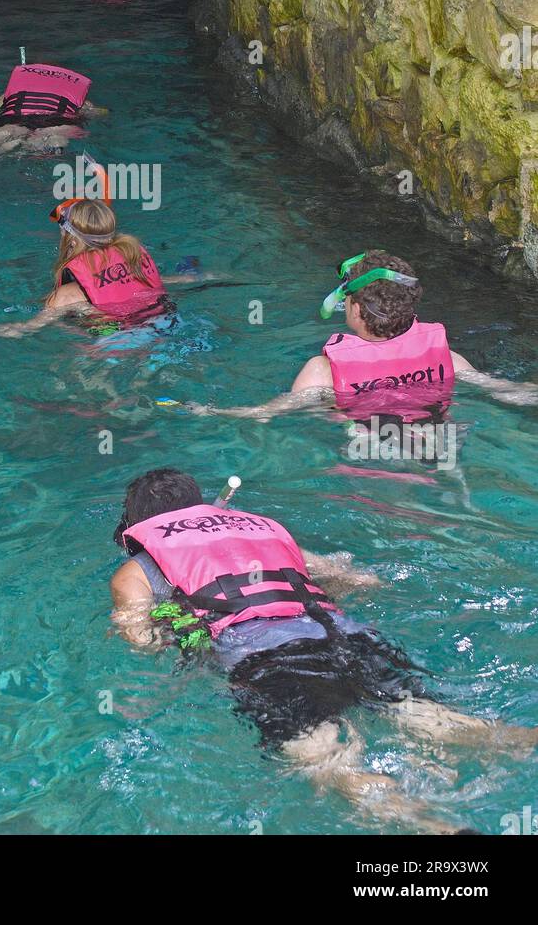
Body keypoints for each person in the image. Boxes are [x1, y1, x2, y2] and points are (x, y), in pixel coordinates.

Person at [110, 467, 537, 832]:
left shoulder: (137, 569)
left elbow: (141, 642)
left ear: (138, 523)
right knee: (434, 719)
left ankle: (437, 828)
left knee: (330, 761)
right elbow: (362, 581)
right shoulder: (262, 532)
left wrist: (181, 628)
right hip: (345, 635)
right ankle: (524, 738)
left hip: (266, 662)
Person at [181, 249, 538, 422]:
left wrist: (208, 411)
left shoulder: (322, 371)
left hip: (365, 464)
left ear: (353, 311)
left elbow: (266, 413)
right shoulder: (448, 358)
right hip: (438, 443)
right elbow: (511, 394)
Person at [0, 197, 173, 347]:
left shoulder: (66, 295)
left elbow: (26, 328)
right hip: (168, 325)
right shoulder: (135, 263)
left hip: (120, 343)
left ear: (71, 237)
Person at [0, 61, 106, 167]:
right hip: (54, 124)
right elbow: (96, 114)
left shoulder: (9, 95)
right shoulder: (80, 101)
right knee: (49, 150)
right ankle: (25, 151)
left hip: (10, 122)